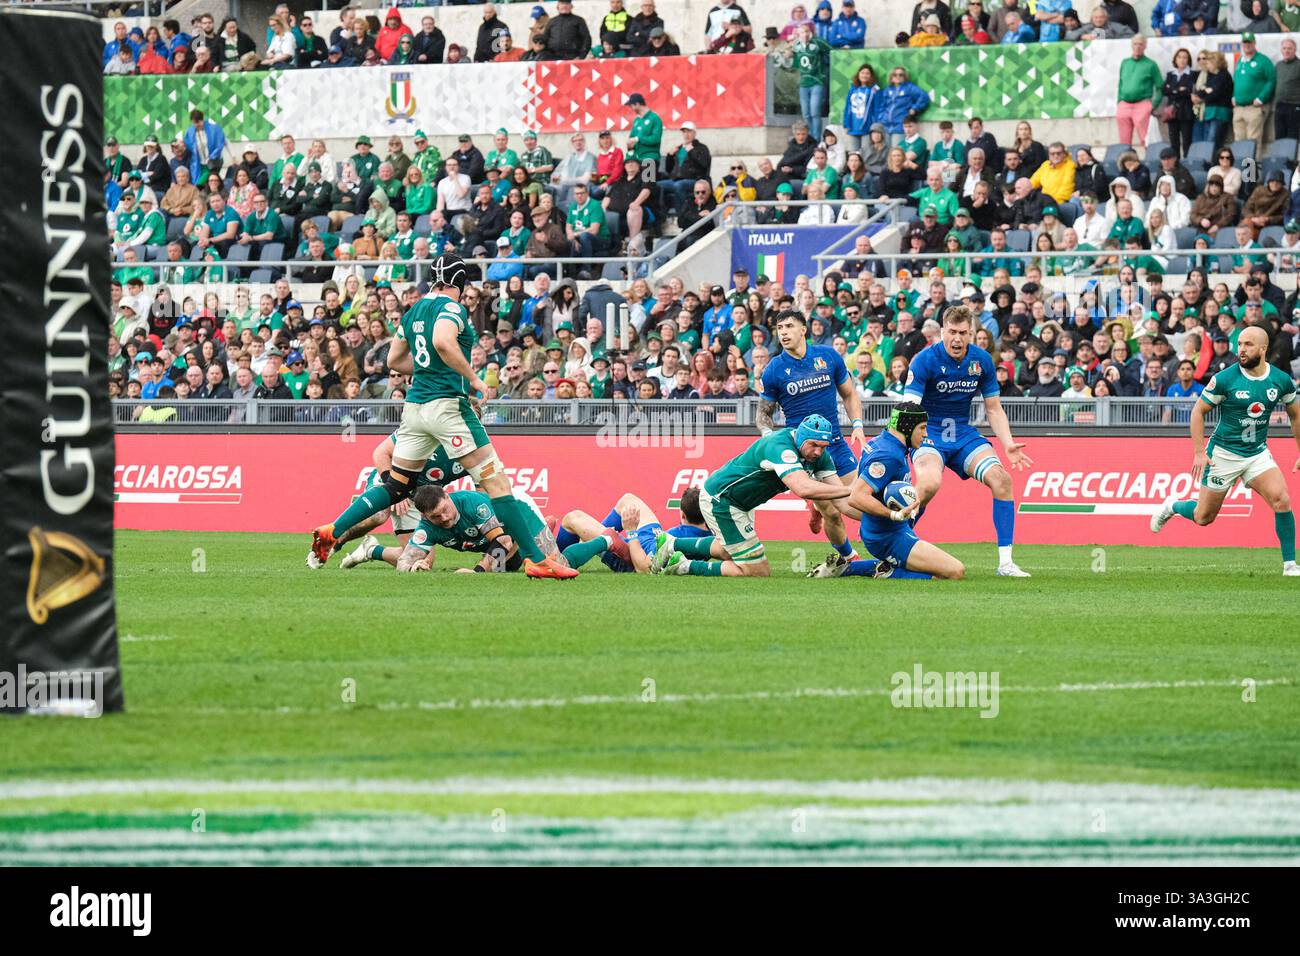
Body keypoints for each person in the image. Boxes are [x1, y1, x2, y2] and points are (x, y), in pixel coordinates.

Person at [311, 253, 576, 579]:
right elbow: (442, 340)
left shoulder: (413, 311)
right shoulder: (452, 308)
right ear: (460, 284)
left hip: (415, 408)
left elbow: (394, 360)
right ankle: (537, 560)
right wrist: (474, 379)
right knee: (497, 484)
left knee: (396, 486)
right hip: (447, 407)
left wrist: (428, 369)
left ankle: (332, 530)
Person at [1151, 326, 1299, 576]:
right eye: (1239, 344)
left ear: (1263, 349)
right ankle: (1173, 506)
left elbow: (1295, 415)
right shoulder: (1225, 378)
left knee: (1281, 499)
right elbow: (1198, 412)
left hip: (1257, 453)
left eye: (1248, 344)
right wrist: (1199, 452)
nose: (1241, 349)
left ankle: (1289, 565)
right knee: (1203, 517)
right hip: (1223, 454)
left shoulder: (1281, 380)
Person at [904, 305, 1032, 576]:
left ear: (972, 333)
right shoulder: (924, 360)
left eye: (963, 333)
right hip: (928, 434)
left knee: (1002, 479)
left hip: (963, 434)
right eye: (952, 332)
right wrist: (901, 444)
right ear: (942, 332)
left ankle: (1006, 563)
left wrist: (1007, 443)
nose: (957, 339)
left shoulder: (982, 361)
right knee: (928, 485)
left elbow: (994, 409)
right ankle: (898, 548)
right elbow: (909, 407)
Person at [649, 414, 851, 577]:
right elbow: (803, 488)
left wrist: (877, 511)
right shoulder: (780, 446)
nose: (818, 452)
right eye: (814, 445)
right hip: (722, 498)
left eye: (823, 447)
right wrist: (851, 489)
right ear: (801, 437)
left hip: (740, 502)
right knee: (757, 571)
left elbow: (843, 500)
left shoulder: (818, 456)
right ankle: (683, 566)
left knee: (729, 551)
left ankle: (670, 543)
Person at [757, 310, 867, 573]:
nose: (783, 332)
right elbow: (763, 413)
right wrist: (768, 438)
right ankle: (849, 556)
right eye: (779, 328)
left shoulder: (828, 356)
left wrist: (858, 426)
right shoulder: (774, 369)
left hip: (835, 443)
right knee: (834, 511)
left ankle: (818, 505)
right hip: (805, 452)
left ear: (804, 329)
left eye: (789, 326)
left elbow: (850, 394)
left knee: (857, 500)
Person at [1117, 36, 1162, 150]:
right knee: (1124, 141)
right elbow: (1121, 83)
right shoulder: (1125, 63)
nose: (1137, 47)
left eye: (1140, 44)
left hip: (1142, 104)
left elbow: (1160, 86)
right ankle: (1125, 164)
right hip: (1124, 105)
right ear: (1132, 45)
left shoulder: (1151, 64)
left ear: (1145, 46)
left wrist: (1153, 105)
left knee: (1146, 139)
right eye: (1135, 44)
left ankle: (1150, 164)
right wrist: (1119, 101)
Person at [1233, 32, 1277, 148]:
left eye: (1249, 42)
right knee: (1238, 142)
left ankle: (1251, 166)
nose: (1247, 45)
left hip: (1254, 108)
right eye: (1245, 42)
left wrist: (1261, 98)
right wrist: (1234, 96)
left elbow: (1271, 80)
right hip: (1239, 107)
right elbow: (1236, 80)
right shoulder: (1240, 61)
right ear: (1242, 44)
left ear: (1254, 43)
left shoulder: (1263, 60)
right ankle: (1240, 166)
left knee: (1253, 141)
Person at [791, 23, 832, 141]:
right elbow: (794, 63)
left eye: (807, 31)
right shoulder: (796, 45)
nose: (805, 34)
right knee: (806, 114)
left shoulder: (818, 42)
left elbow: (832, 51)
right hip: (803, 83)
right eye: (802, 32)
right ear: (798, 34)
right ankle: (808, 139)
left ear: (811, 32)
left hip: (816, 81)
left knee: (815, 112)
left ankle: (816, 139)